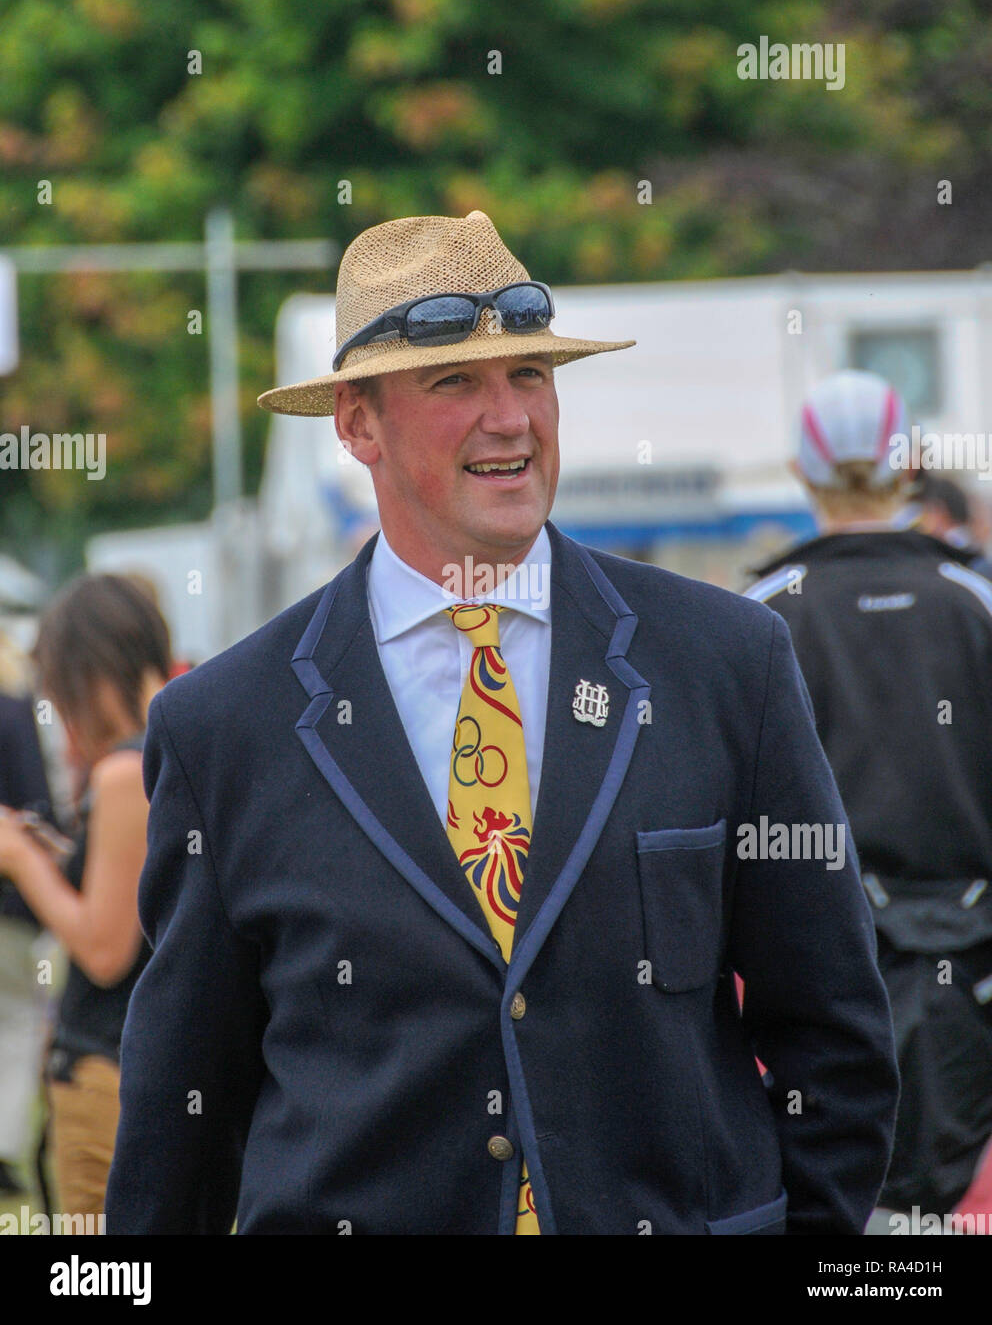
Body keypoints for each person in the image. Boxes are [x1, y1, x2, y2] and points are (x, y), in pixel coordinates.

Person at [106, 210, 898, 1236]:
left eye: (529, 375)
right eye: (455, 383)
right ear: (357, 423)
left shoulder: (725, 662)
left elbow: (833, 1037)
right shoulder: (224, 728)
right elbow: (180, 1121)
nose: (510, 417)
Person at [746, 369, 992, 1223]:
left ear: (799, 469)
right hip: (969, 974)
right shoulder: (974, 603)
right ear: (910, 467)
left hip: (809, 986)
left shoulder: (762, 617)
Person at [0, 574, 171, 1224]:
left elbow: (103, 947)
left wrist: (19, 860)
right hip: (131, 1070)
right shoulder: (162, 755)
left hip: (103, 1073)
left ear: (91, 677)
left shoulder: (124, 774)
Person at [0, 634, 55, 1198]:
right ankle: (4, 1145)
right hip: (11, 900)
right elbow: (38, 804)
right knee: (16, 1020)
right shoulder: (15, 711)